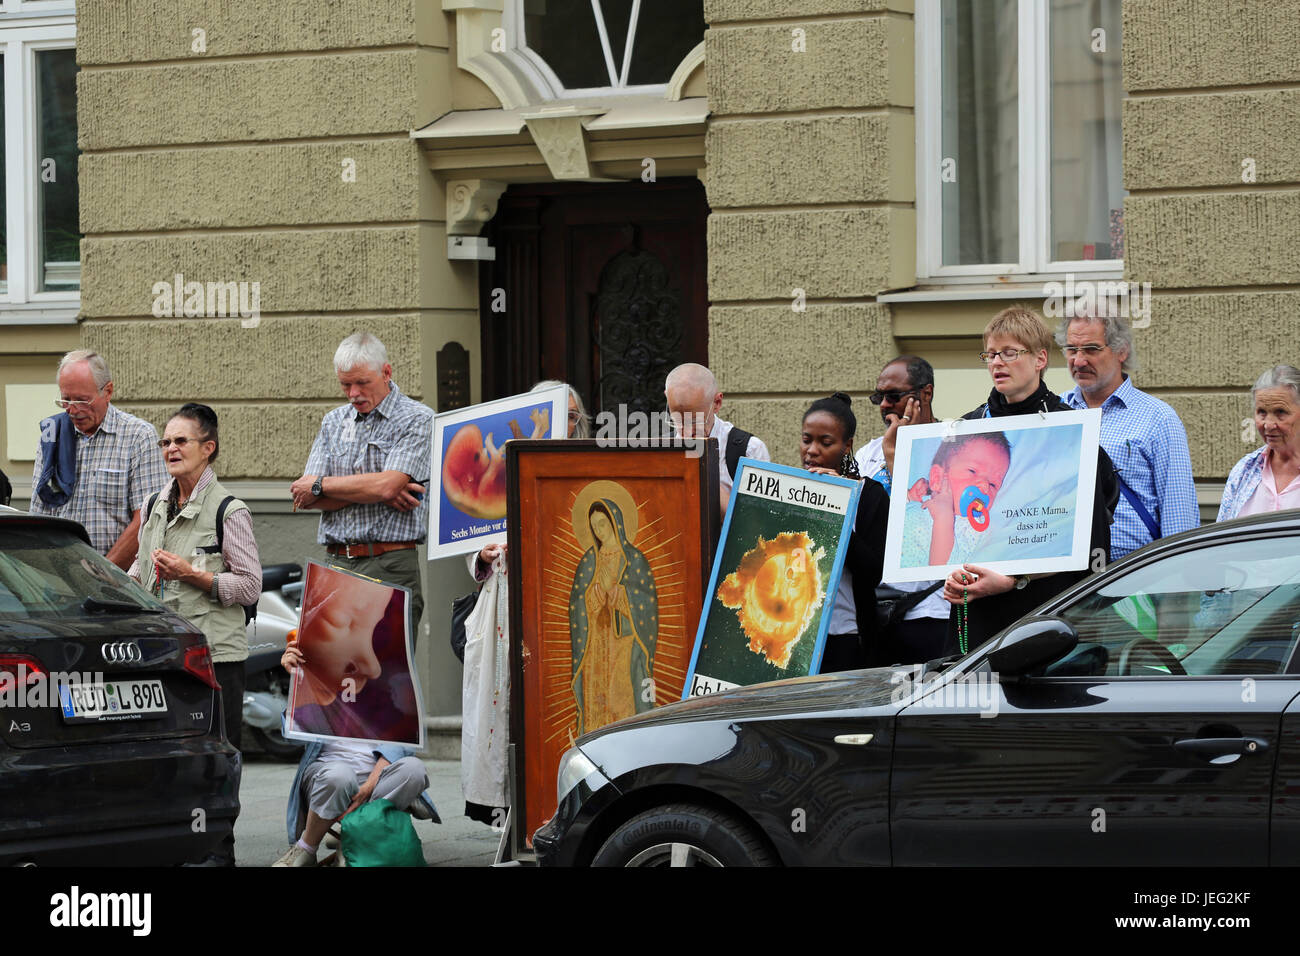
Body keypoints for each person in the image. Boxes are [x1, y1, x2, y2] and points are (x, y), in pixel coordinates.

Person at [922, 307, 1118, 656]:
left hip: (1046, 615)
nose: (998, 362)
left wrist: (1018, 580)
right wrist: (951, 575)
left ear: (1040, 358)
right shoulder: (966, 431)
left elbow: (1090, 542)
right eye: (991, 354)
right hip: (977, 616)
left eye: (1010, 353)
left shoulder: (1073, 433)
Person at [127, 403, 260, 866]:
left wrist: (192, 574)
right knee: (170, 759)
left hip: (214, 658)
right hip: (161, 657)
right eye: (165, 441)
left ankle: (217, 852)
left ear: (208, 448)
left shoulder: (229, 509)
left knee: (215, 760)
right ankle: (177, 846)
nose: (170, 449)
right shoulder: (152, 505)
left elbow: (249, 586)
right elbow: (139, 570)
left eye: (180, 441)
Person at [464, 381, 588, 825]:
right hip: (506, 616)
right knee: (511, 715)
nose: (564, 423)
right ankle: (514, 818)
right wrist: (484, 554)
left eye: (571, 416)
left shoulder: (589, 463)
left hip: (564, 615)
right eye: (554, 414)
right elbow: (470, 539)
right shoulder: (501, 469)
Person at [291, 332, 433, 632]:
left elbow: (386, 486)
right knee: (335, 671)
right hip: (337, 562)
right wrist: (377, 489)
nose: (353, 393)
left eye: (362, 383)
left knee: (389, 673)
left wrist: (323, 485)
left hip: (390, 562)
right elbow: (305, 497)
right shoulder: (333, 422)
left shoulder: (417, 419)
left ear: (386, 373)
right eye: (345, 384)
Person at [274, 638, 439, 868]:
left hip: (377, 781)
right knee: (339, 776)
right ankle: (306, 848)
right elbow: (292, 734)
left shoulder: (391, 676)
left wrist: (369, 786)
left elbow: (403, 740)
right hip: (328, 774)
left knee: (414, 770)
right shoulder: (322, 671)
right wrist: (297, 680)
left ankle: (354, 837)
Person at [1058, 311, 1198, 559]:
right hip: (1067, 577)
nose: (1078, 361)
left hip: (1131, 574)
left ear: (1121, 351)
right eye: (1072, 349)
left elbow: (1179, 518)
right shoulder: (1056, 413)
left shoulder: (1158, 419)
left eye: (1091, 349)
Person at [30, 350, 167, 568]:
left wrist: (102, 573)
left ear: (108, 391)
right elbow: (38, 515)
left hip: (118, 583)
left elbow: (148, 519)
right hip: (60, 578)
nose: (72, 410)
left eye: (82, 400)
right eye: (65, 400)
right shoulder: (52, 434)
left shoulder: (138, 436)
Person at [856, 356, 951, 662]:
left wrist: (898, 454)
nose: (884, 405)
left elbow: (925, 517)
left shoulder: (952, 441)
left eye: (893, 396)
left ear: (926, 394)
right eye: (878, 397)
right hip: (880, 608)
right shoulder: (867, 454)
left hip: (931, 609)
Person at [799, 392, 889, 671]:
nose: (812, 450)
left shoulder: (870, 496)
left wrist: (834, 508)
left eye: (825, 442)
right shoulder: (789, 490)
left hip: (848, 638)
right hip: (797, 638)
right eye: (806, 440)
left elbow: (873, 572)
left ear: (846, 445)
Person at [665, 363, 771, 518]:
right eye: (677, 421)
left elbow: (759, 524)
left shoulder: (749, 450)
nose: (686, 433)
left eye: (695, 422)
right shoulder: (663, 451)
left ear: (716, 403)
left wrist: (707, 477)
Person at [900, 432, 1012, 568]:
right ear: (937, 478)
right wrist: (909, 498)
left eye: (993, 484)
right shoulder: (921, 502)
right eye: (972, 471)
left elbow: (941, 569)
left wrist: (944, 517)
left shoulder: (972, 528)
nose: (984, 487)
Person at [1218, 365, 1300, 520]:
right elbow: (1221, 538)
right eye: (1262, 412)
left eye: (1280, 412)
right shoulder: (1244, 471)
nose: (1268, 424)